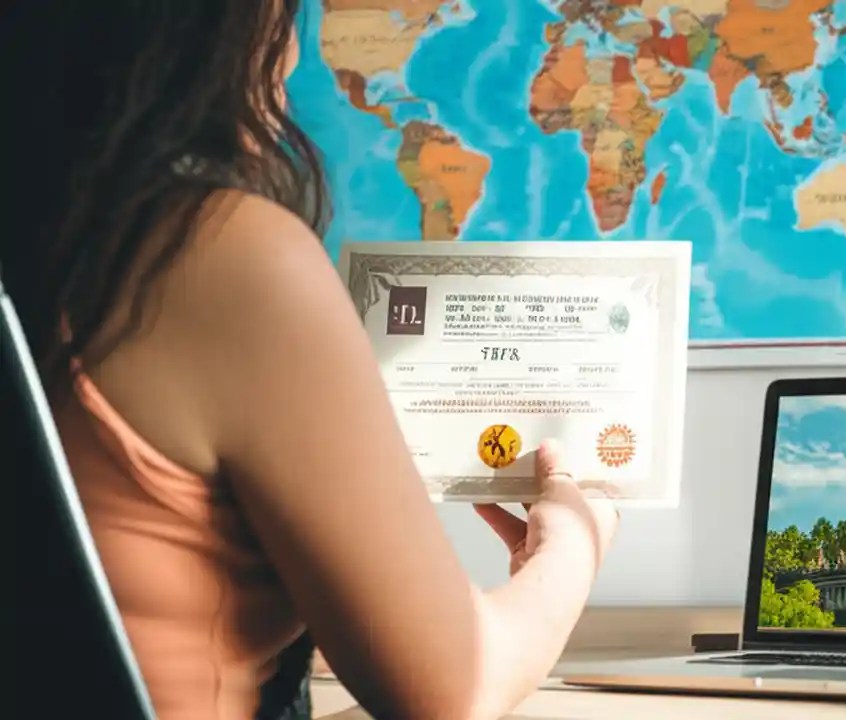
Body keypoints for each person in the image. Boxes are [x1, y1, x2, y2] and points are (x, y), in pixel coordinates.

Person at [0, 3, 618, 719]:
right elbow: (458, 690)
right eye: (276, 16)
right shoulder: (213, 254)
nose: (292, 53)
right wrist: (573, 541)